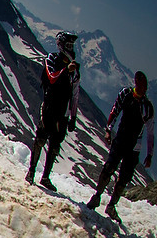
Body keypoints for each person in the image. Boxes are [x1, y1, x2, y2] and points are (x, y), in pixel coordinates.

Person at [88, 71, 152, 221]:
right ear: (136, 84)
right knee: (108, 168)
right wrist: (108, 130)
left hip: (134, 146)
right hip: (121, 140)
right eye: (141, 86)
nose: (144, 89)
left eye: (145, 87)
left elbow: (150, 133)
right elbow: (115, 110)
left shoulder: (147, 107)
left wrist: (149, 154)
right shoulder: (126, 95)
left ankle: (111, 205)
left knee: (124, 178)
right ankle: (97, 196)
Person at [26, 31, 80, 190]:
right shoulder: (52, 59)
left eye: (72, 45)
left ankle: (46, 177)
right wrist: (66, 71)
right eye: (68, 45)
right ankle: (31, 171)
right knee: (40, 140)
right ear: (62, 45)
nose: (71, 48)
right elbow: (51, 77)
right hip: (49, 107)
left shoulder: (75, 70)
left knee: (55, 146)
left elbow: (75, 94)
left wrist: (73, 117)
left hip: (63, 112)